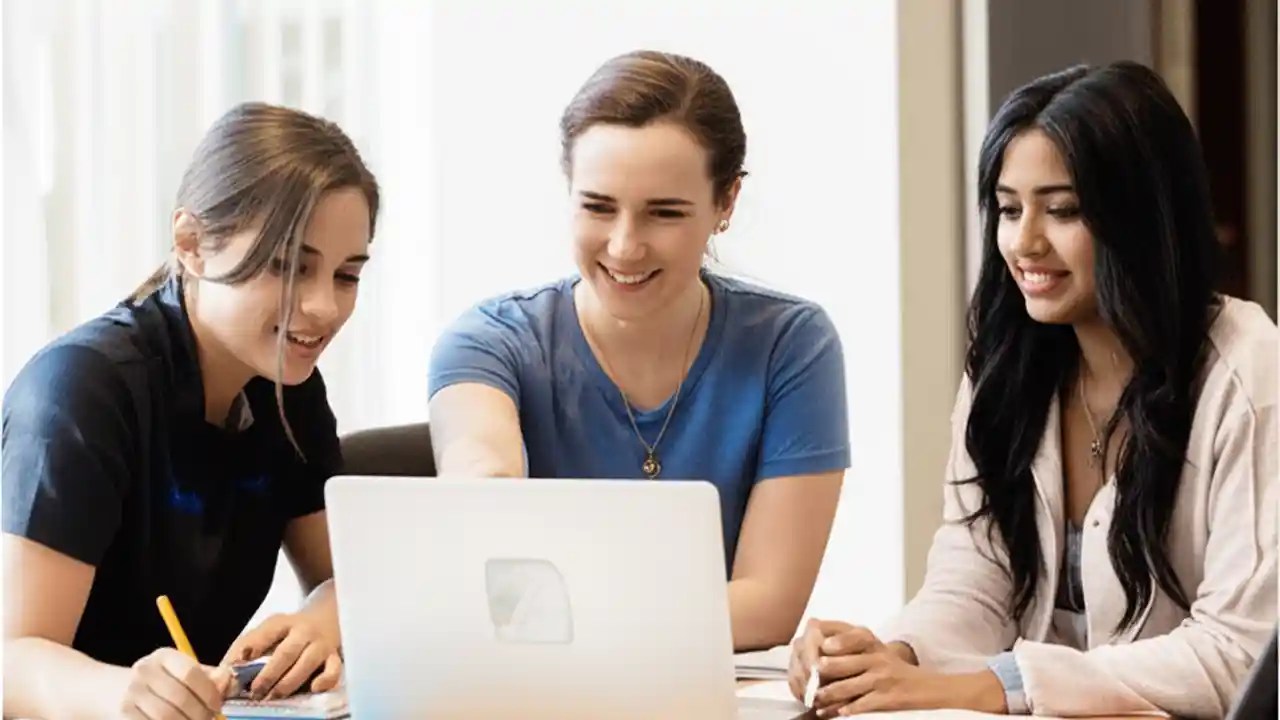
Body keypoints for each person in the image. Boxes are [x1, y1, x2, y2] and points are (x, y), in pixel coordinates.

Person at [788, 61, 1277, 718]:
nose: (1024, 242)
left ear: (1143, 216)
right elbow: (975, 579)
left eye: (1063, 209)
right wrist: (890, 658)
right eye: (1009, 209)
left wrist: (999, 685)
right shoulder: (1004, 366)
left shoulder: (1250, 372)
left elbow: (1238, 653)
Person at [428, 50, 850, 652]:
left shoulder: (791, 344)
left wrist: (561, 613)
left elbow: (767, 606)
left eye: (664, 213)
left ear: (725, 203)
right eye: (597, 207)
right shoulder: (488, 341)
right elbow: (483, 482)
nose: (625, 248)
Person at [3, 102, 379, 720]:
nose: (322, 308)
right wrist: (121, 693)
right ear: (191, 244)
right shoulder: (82, 391)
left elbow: (355, 576)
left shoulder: (288, 384)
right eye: (288, 267)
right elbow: (12, 661)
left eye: (347, 275)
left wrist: (320, 620)